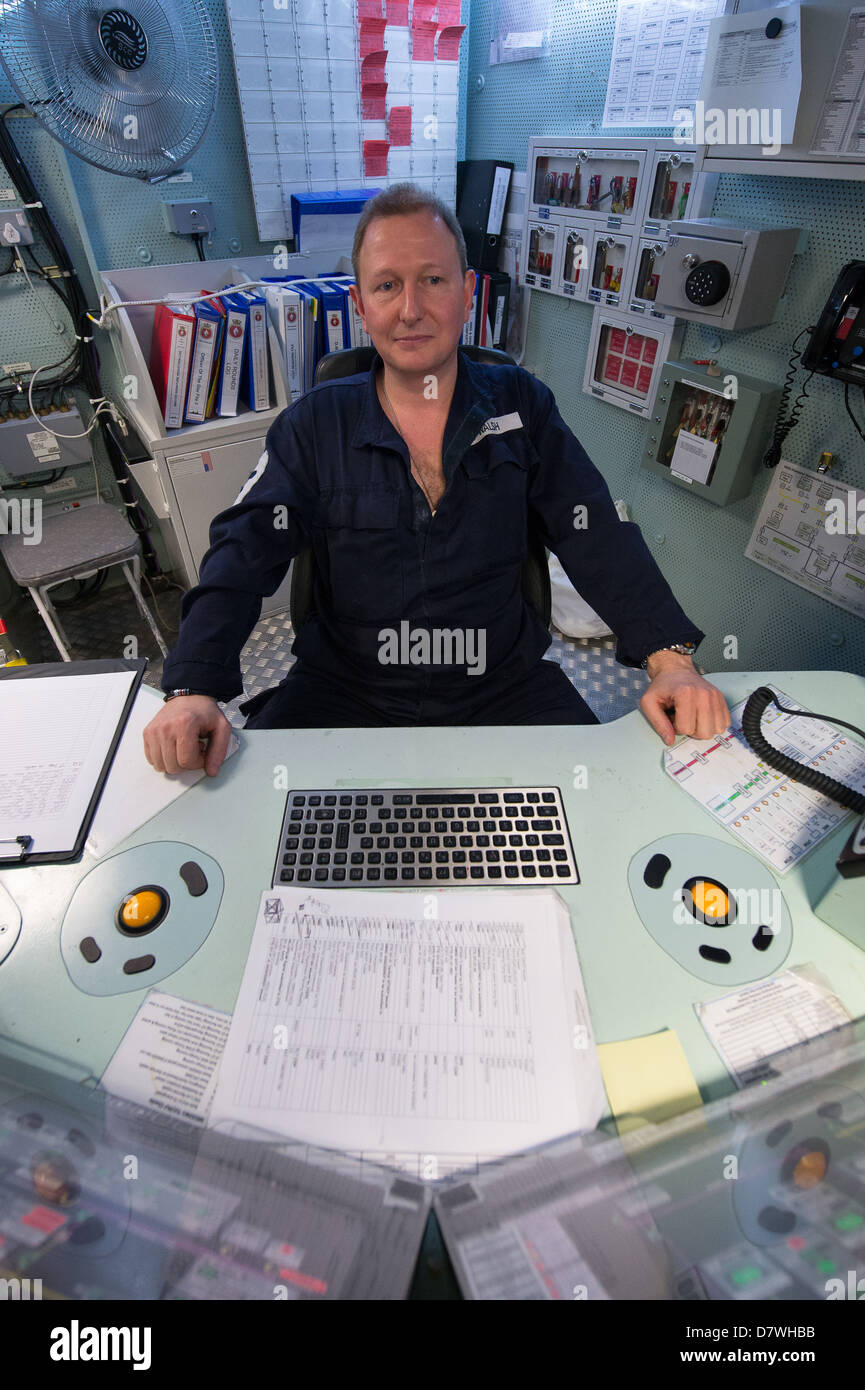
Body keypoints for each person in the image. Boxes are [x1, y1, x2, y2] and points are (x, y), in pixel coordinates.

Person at [144, 183, 731, 777]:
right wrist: (193, 685)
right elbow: (242, 550)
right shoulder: (313, 426)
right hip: (346, 688)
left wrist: (670, 659)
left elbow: (593, 531)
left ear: (468, 291)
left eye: (433, 279)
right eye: (387, 285)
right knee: (263, 830)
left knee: (594, 823)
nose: (410, 309)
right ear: (361, 305)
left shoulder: (522, 407)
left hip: (503, 685)